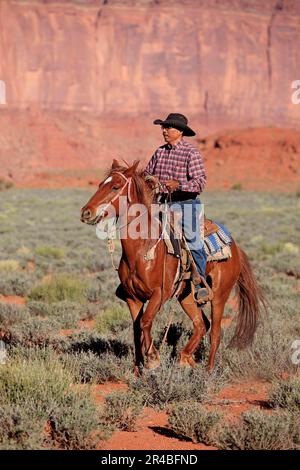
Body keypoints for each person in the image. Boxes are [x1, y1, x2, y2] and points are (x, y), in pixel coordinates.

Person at [145, 113, 210, 303]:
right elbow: (148, 175)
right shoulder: (159, 152)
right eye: (163, 127)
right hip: (160, 204)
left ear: (180, 132)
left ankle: (200, 286)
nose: (164, 131)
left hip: (186, 205)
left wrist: (180, 185)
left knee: (193, 241)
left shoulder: (191, 153)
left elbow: (200, 183)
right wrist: (149, 182)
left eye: (169, 128)